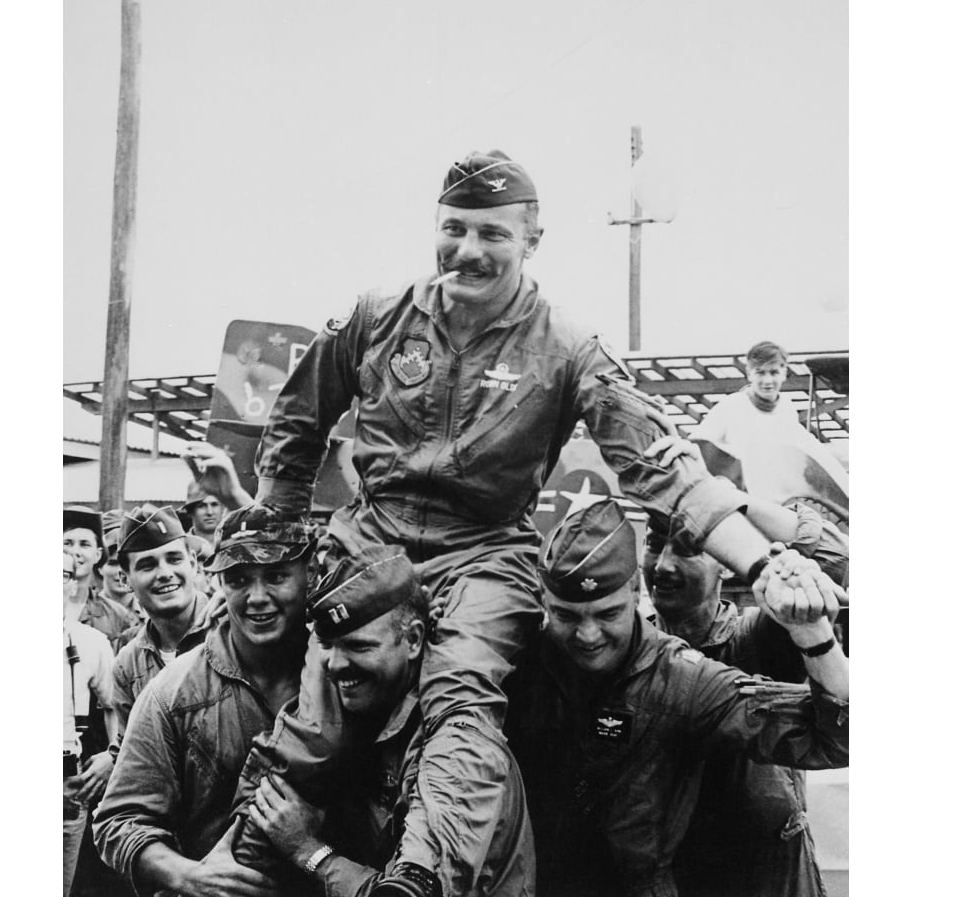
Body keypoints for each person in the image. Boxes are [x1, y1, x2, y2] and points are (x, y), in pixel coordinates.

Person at [246, 149, 778, 894]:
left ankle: (423, 877)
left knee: (461, 698)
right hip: (371, 540)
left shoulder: (567, 346)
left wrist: (762, 564)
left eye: (492, 234)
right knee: (318, 712)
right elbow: (297, 422)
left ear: (532, 240)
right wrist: (274, 539)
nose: (468, 251)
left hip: (485, 551)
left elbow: (658, 461)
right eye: (454, 229)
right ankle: (239, 862)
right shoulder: (375, 315)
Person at [504, 498, 849, 897]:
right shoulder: (528, 663)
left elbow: (837, 736)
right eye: (566, 617)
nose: (588, 636)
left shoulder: (699, 668)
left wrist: (718, 500)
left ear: (632, 592)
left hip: (758, 871)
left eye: (688, 548)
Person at [232, 545, 535, 897]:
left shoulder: (455, 742)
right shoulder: (364, 716)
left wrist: (309, 851)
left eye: (359, 647)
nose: (335, 665)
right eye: (329, 646)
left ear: (413, 640)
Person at [93, 505, 318, 897]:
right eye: (239, 579)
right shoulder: (171, 692)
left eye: (277, 576)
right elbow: (119, 819)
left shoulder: (345, 674)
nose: (257, 597)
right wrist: (186, 876)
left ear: (310, 575)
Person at [642, 491, 848, 897]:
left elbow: (834, 554)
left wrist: (726, 503)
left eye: (689, 548)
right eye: (653, 543)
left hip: (766, 874)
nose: (663, 565)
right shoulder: (635, 648)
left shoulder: (754, 638)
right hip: (673, 874)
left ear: (725, 563)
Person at [692, 340, 849, 506]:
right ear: (749, 373)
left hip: (777, 502)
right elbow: (697, 445)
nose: (767, 381)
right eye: (760, 372)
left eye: (774, 372)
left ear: (784, 372)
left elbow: (799, 454)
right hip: (738, 499)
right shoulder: (731, 405)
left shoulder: (787, 410)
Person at [109, 504, 214, 740]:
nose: (164, 572)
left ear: (194, 563)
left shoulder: (230, 631)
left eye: (174, 559)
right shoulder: (128, 666)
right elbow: (129, 753)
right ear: (125, 579)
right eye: (148, 565)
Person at [63, 549, 119, 897]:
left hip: (66, 780)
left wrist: (113, 755)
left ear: (71, 584)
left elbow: (117, 705)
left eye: (61, 575)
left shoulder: (91, 642)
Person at [63, 506, 139, 653]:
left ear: (98, 555)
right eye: (67, 543)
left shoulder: (117, 616)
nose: (75, 552)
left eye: (85, 544)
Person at [96, 511, 144, 628]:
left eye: (126, 564)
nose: (120, 571)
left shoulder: (152, 609)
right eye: (113, 564)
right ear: (100, 567)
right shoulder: (89, 613)